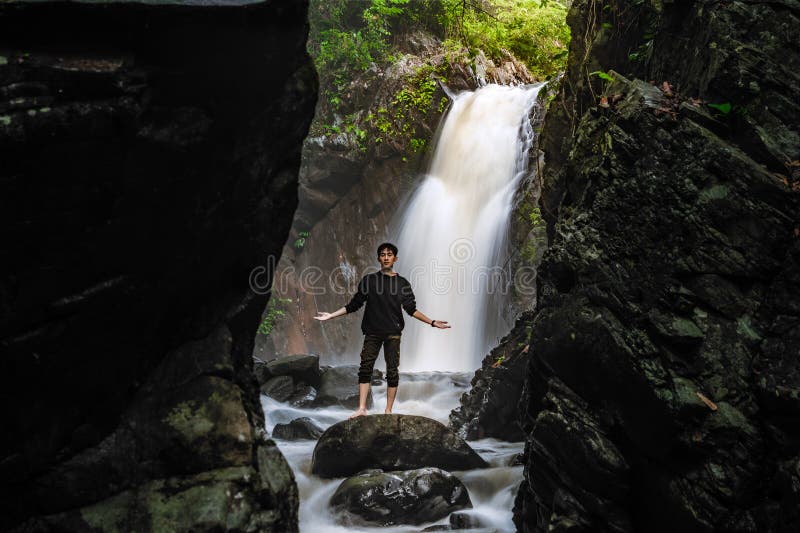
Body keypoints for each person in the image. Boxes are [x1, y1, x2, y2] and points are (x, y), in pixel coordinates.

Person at [313, 242, 450, 418]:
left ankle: (388, 411)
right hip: (372, 332)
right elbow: (354, 305)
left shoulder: (402, 283)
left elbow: (411, 309)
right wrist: (331, 315)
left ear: (395, 258)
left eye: (389, 254)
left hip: (393, 333)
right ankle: (362, 408)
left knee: (392, 371)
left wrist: (432, 322)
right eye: (383, 254)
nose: (386, 257)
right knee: (365, 368)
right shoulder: (369, 280)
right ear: (379, 258)